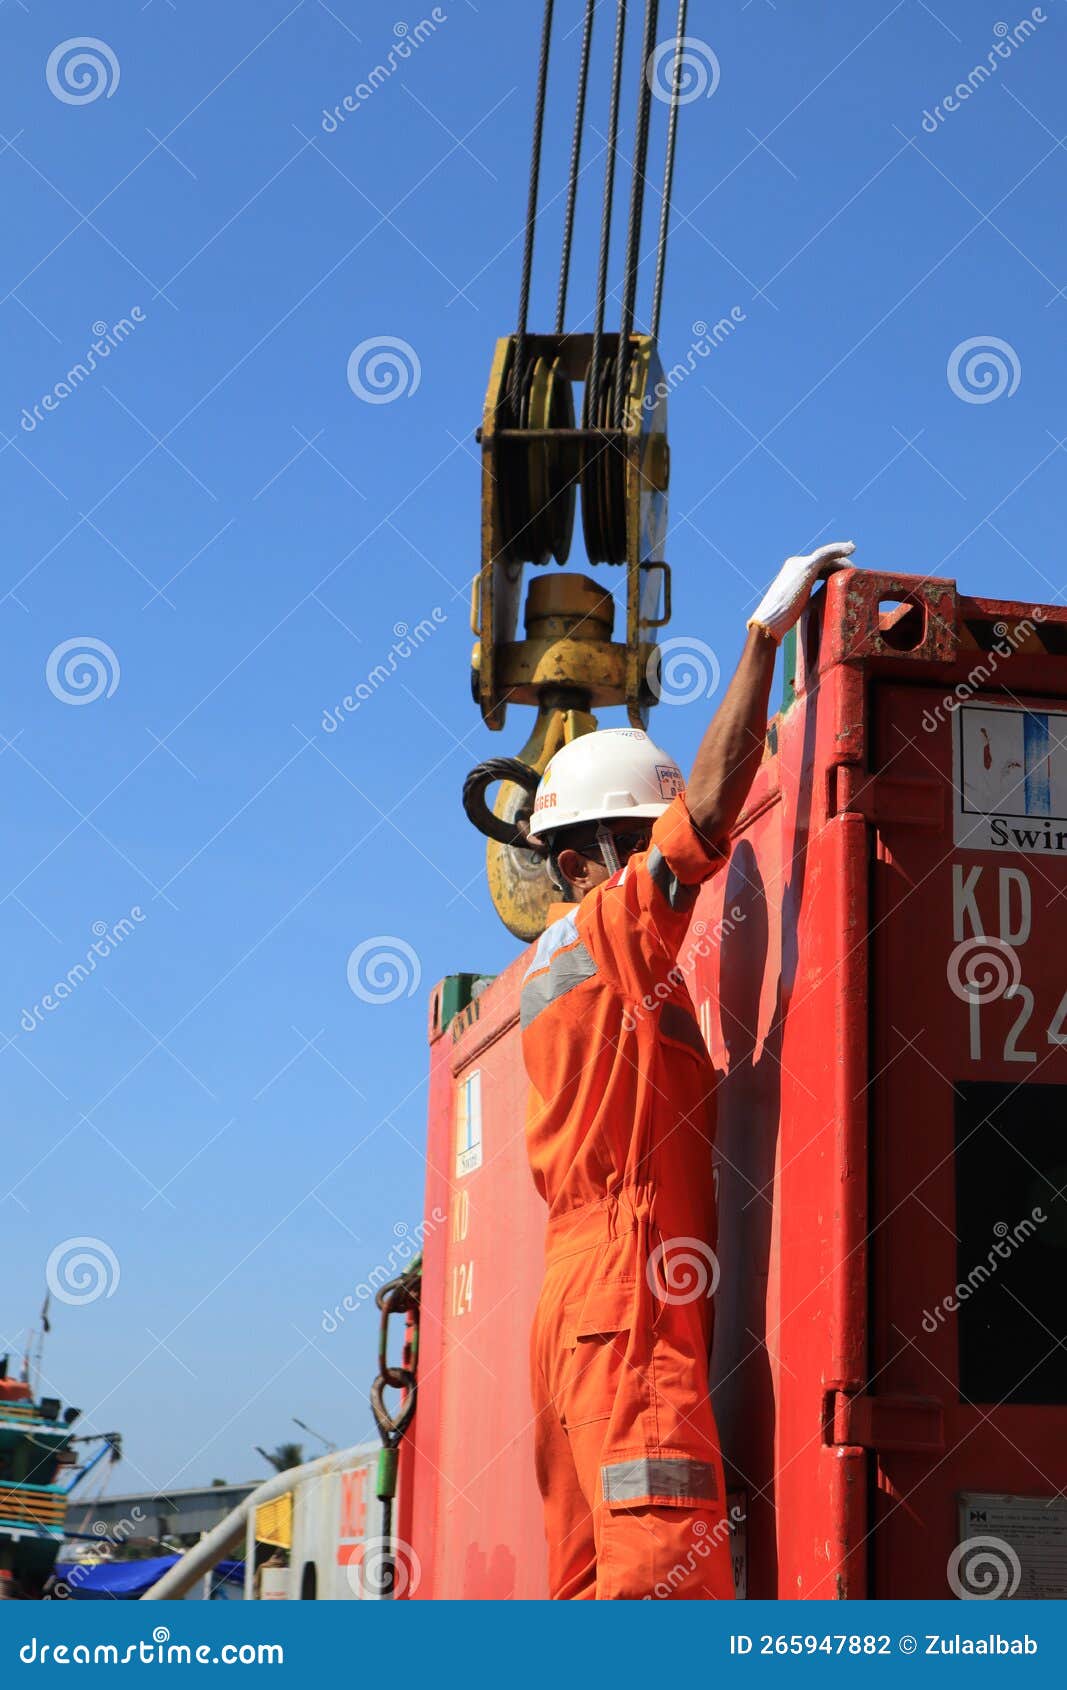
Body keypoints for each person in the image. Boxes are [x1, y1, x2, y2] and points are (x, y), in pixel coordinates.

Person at [520, 541, 856, 1600]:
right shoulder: (605, 933)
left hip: (581, 1302)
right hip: (625, 1305)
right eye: (628, 840)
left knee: (588, 1585)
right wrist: (762, 639)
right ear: (580, 861)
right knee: (662, 1588)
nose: (654, 871)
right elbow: (705, 816)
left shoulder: (559, 971)